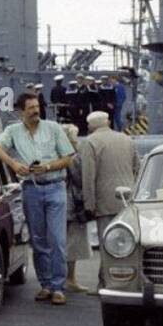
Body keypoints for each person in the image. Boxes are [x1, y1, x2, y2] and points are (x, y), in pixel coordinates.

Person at [0, 90, 75, 304]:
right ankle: (46, 285)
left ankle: (58, 287)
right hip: (31, 189)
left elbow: (68, 158)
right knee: (38, 240)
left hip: (55, 187)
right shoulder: (13, 131)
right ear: (22, 111)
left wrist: (47, 167)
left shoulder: (53, 128)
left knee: (57, 239)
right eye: (31, 108)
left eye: (37, 106)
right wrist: (14, 164)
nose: (36, 111)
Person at [63, 124, 94, 293]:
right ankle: (70, 278)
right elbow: (79, 178)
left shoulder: (56, 154)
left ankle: (62, 278)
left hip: (61, 202)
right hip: (72, 204)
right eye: (74, 138)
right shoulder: (73, 157)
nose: (77, 141)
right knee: (73, 243)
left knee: (62, 242)